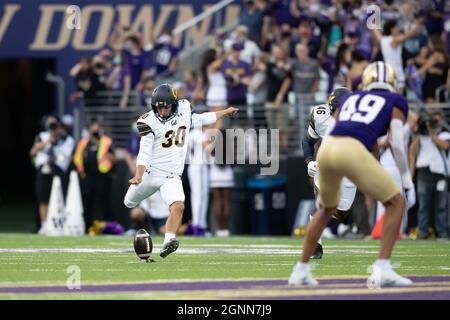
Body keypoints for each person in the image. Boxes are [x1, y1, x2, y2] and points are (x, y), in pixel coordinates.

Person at [289, 62, 415, 287]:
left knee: (327, 209)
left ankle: (300, 270)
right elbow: (396, 144)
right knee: (396, 202)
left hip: (327, 150)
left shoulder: (351, 100)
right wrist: (406, 179)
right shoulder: (395, 101)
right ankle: (383, 269)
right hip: (351, 150)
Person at [123, 83, 238, 258]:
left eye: (166, 107)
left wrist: (224, 112)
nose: (162, 111)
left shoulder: (184, 111)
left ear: (174, 104)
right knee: (129, 202)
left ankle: (168, 242)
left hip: (172, 176)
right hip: (151, 174)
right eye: (158, 107)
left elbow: (201, 119)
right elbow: (144, 153)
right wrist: (138, 175)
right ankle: (159, 230)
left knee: (178, 206)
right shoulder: (147, 121)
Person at [302, 87, 356, 259]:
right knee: (320, 203)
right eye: (334, 110)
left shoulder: (360, 120)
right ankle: (315, 246)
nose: (336, 115)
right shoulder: (320, 114)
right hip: (327, 163)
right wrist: (309, 161)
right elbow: (308, 140)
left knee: (342, 211)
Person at [409, 109, 450, 239]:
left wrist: (431, 131)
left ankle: (442, 232)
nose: (433, 122)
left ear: (441, 121)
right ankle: (423, 233)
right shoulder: (422, 135)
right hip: (423, 173)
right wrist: (418, 132)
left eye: (436, 120)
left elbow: (444, 146)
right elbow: (412, 151)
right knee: (423, 206)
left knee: (441, 206)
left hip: (439, 174)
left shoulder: (445, 134)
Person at [30, 116, 75, 233]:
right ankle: (44, 225)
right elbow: (34, 150)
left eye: (55, 124)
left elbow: (66, 154)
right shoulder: (42, 136)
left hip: (58, 170)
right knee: (43, 198)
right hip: (44, 169)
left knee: (58, 198)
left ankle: (58, 224)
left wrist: (58, 137)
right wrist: (48, 141)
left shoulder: (65, 138)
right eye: (51, 125)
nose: (53, 127)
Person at [73, 121, 116, 231]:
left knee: (105, 204)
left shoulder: (105, 142)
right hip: (87, 177)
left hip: (101, 177)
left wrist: (100, 146)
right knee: (87, 204)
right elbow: (77, 157)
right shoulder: (83, 142)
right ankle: (87, 227)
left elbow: (113, 159)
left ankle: (110, 228)